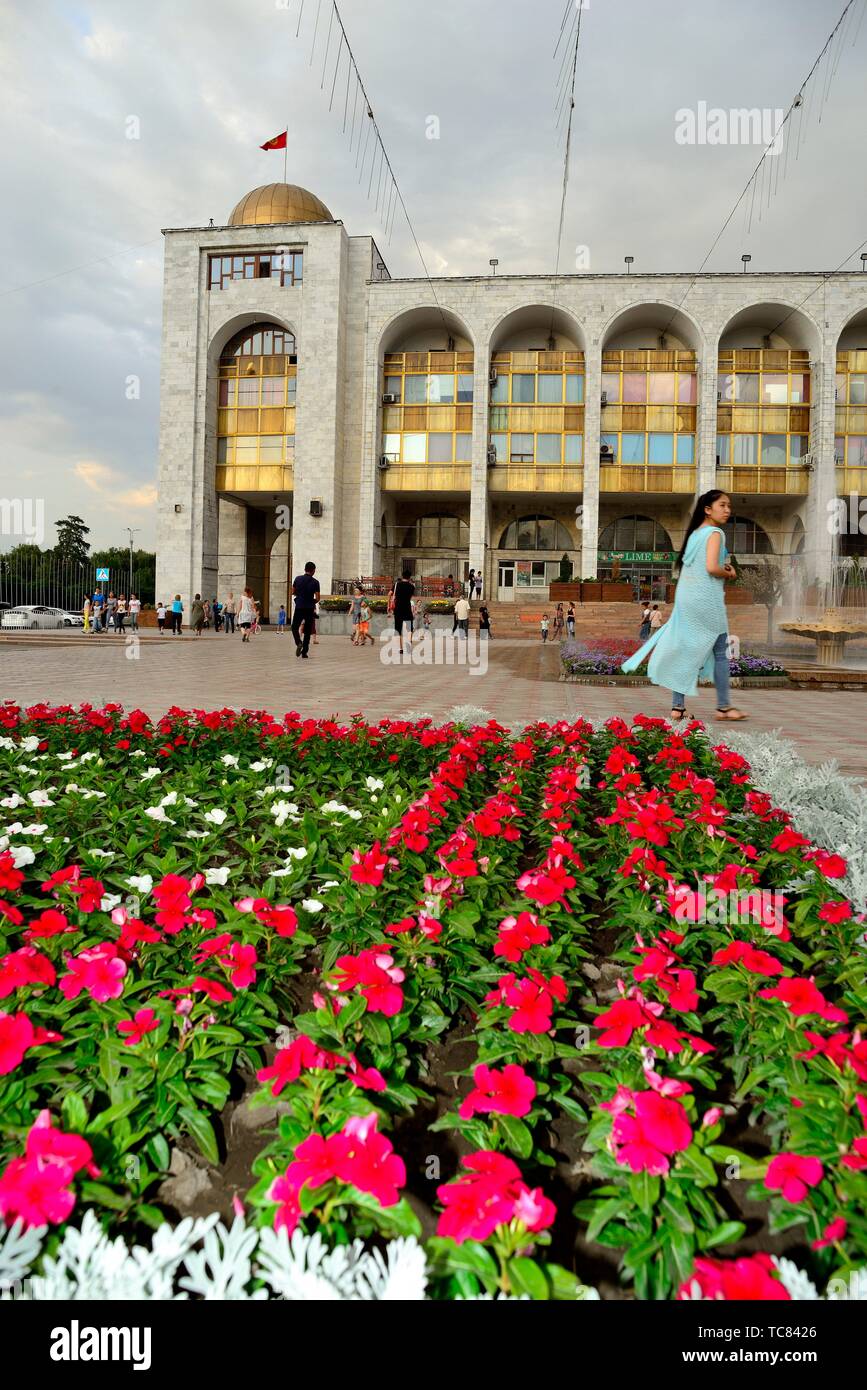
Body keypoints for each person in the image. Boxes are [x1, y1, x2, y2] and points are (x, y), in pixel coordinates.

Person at [622, 489, 747, 723]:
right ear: (707, 509)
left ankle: (677, 708)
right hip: (707, 601)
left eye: (729, 506)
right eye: (722, 505)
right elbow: (711, 568)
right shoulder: (715, 533)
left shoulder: (694, 535)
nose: (728, 510)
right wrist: (728, 572)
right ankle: (723, 707)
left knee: (686, 650)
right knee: (720, 652)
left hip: (687, 599)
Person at [292, 561, 320, 657]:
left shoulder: (298, 579)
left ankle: (298, 642)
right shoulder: (316, 582)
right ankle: (304, 652)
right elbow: (318, 598)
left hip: (299, 606)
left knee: (294, 627)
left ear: (305, 569)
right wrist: (312, 602)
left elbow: (293, 592)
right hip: (309, 608)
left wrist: (299, 596)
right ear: (313, 571)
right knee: (308, 630)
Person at [392, 568, 415, 655]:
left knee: (398, 629)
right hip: (407, 609)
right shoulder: (412, 586)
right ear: (409, 577)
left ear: (402, 576)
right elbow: (410, 596)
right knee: (409, 629)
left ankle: (400, 649)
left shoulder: (397, 584)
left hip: (398, 609)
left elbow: (390, 594)